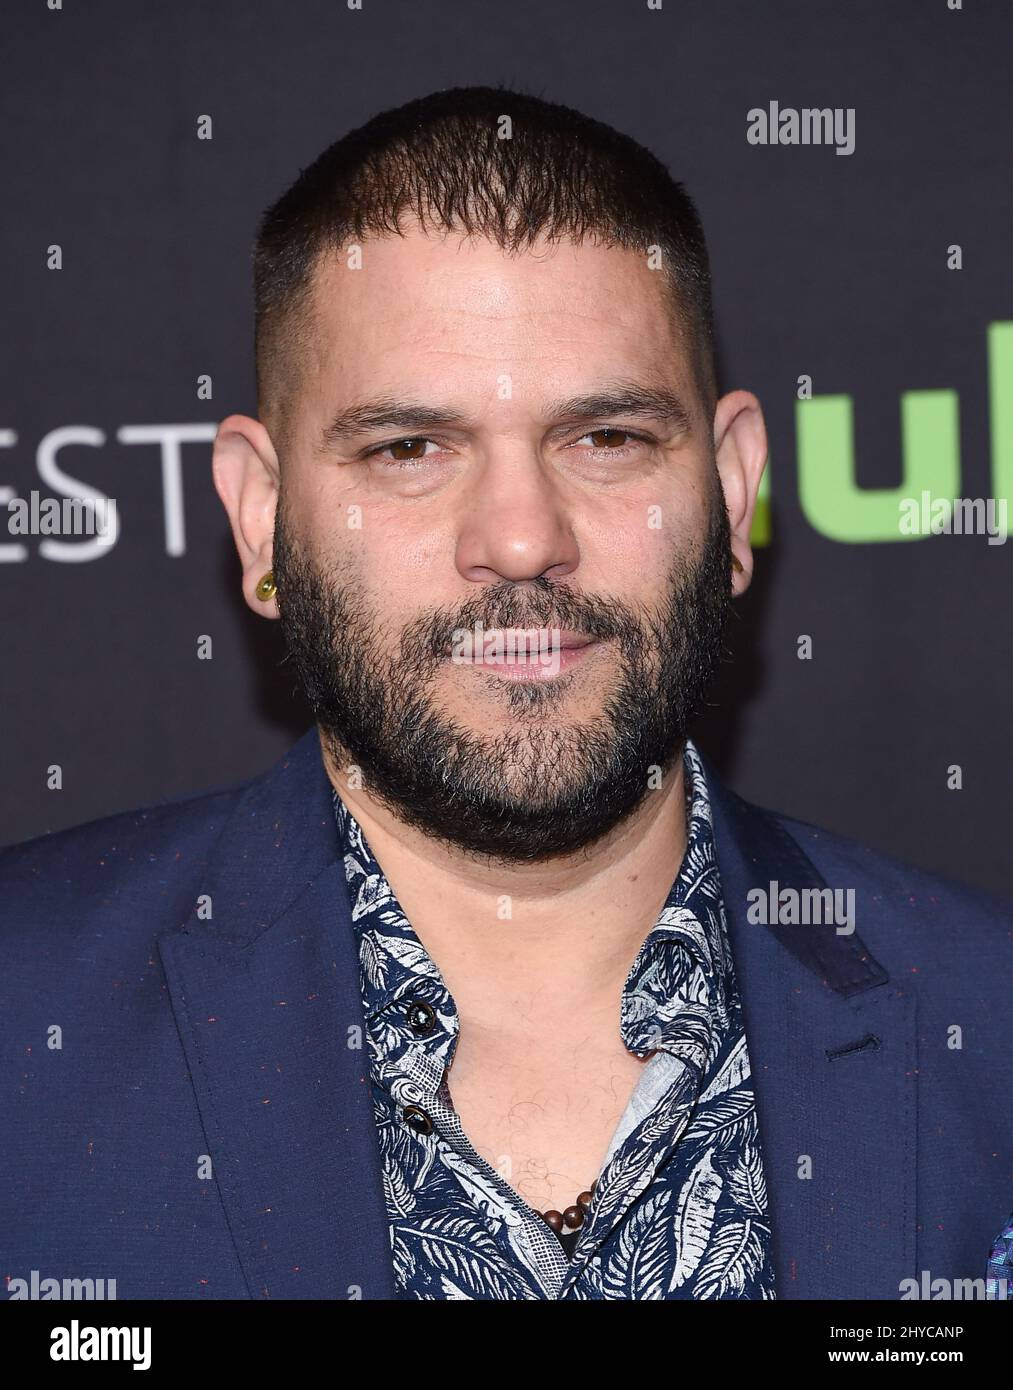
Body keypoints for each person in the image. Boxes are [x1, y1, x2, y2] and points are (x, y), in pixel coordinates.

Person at [2, 86, 1010, 1302]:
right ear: (260, 518)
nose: (522, 540)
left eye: (606, 438)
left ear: (735, 487)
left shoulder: (984, 1024)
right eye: (409, 449)